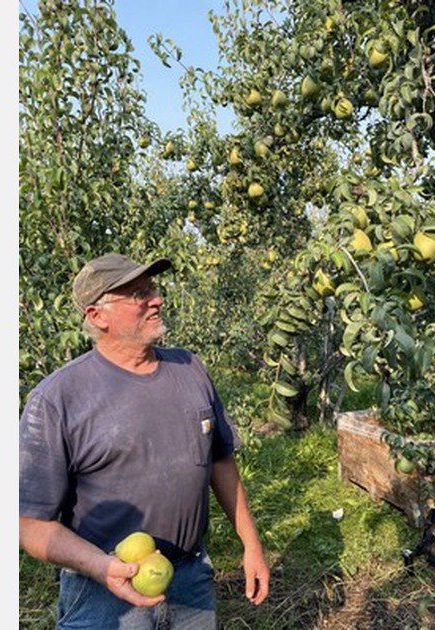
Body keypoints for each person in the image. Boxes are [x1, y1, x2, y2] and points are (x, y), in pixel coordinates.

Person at [19, 253, 270, 629]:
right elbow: (29, 524)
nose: (156, 299)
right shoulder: (58, 398)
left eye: (151, 288)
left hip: (189, 578)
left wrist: (251, 544)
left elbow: (220, 460)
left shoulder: (189, 369)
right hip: (102, 594)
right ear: (96, 316)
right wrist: (103, 568)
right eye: (138, 294)